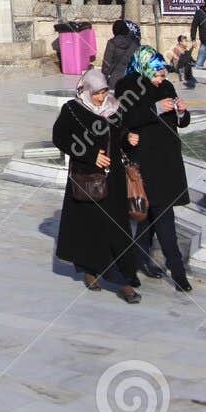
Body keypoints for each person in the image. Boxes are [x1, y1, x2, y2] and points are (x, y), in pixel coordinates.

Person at [51, 68, 140, 303]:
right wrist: (92, 155)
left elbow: (117, 136)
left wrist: (126, 139)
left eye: (103, 92)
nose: (101, 97)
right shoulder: (72, 109)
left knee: (118, 229)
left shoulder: (114, 108)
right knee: (89, 228)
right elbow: (60, 138)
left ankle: (125, 281)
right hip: (87, 178)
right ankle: (91, 270)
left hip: (114, 179)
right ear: (87, 89)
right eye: (97, 93)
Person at [115, 45, 193, 293]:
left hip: (168, 160)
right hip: (145, 160)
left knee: (149, 214)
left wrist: (182, 112)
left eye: (163, 75)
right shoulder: (128, 86)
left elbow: (179, 123)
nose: (161, 80)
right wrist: (156, 109)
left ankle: (138, 261)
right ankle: (178, 271)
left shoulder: (167, 87)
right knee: (163, 214)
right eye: (157, 75)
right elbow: (125, 118)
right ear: (144, 69)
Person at [101, 18, 140, 86]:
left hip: (115, 80)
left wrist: (104, 77)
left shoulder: (112, 43)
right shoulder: (135, 43)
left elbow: (106, 63)